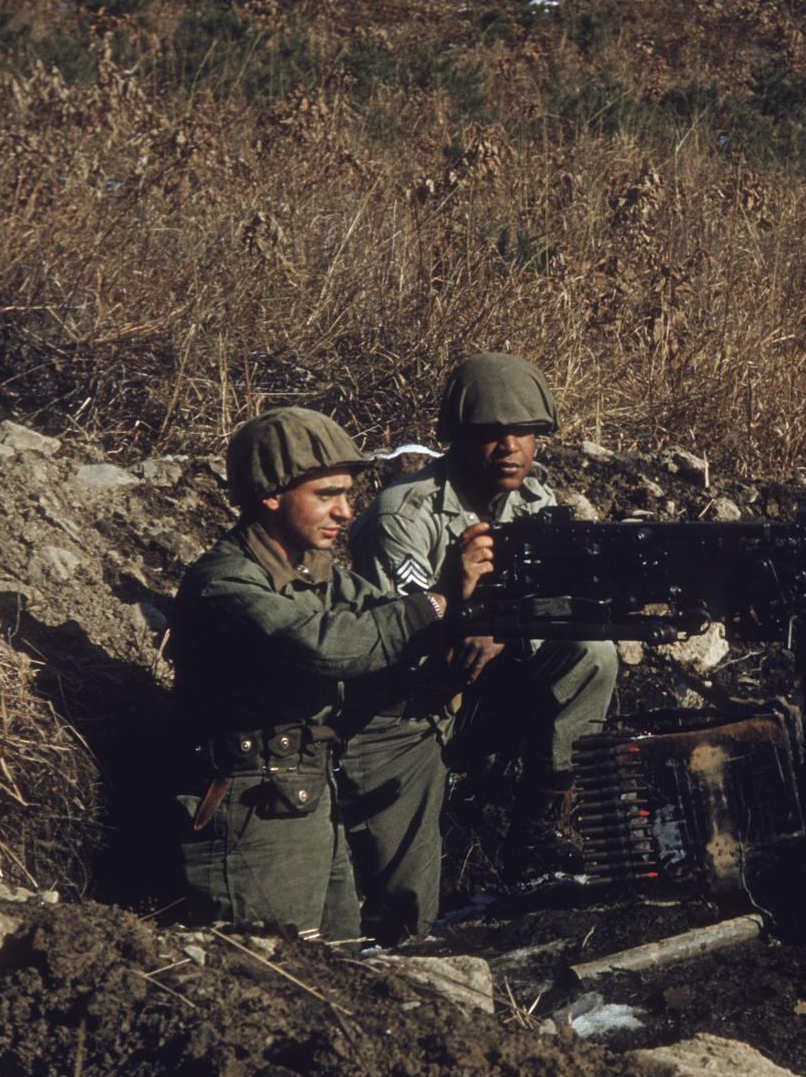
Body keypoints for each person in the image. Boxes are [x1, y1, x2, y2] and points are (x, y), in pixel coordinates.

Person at [170, 407, 489, 940]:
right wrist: (439, 602)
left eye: (348, 495)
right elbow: (331, 647)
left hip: (304, 796)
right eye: (326, 495)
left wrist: (476, 601)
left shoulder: (317, 576)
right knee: (273, 976)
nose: (345, 512)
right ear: (271, 495)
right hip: (250, 810)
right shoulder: (225, 584)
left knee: (337, 966)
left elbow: (389, 621)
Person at [350, 353, 618, 874]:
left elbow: (565, 603)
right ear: (458, 437)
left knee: (593, 653)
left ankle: (539, 824)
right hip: (411, 708)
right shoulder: (403, 516)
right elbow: (386, 637)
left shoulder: (535, 503)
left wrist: (504, 628)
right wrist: (464, 609)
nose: (510, 448)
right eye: (492, 433)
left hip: (487, 694)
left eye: (524, 432)